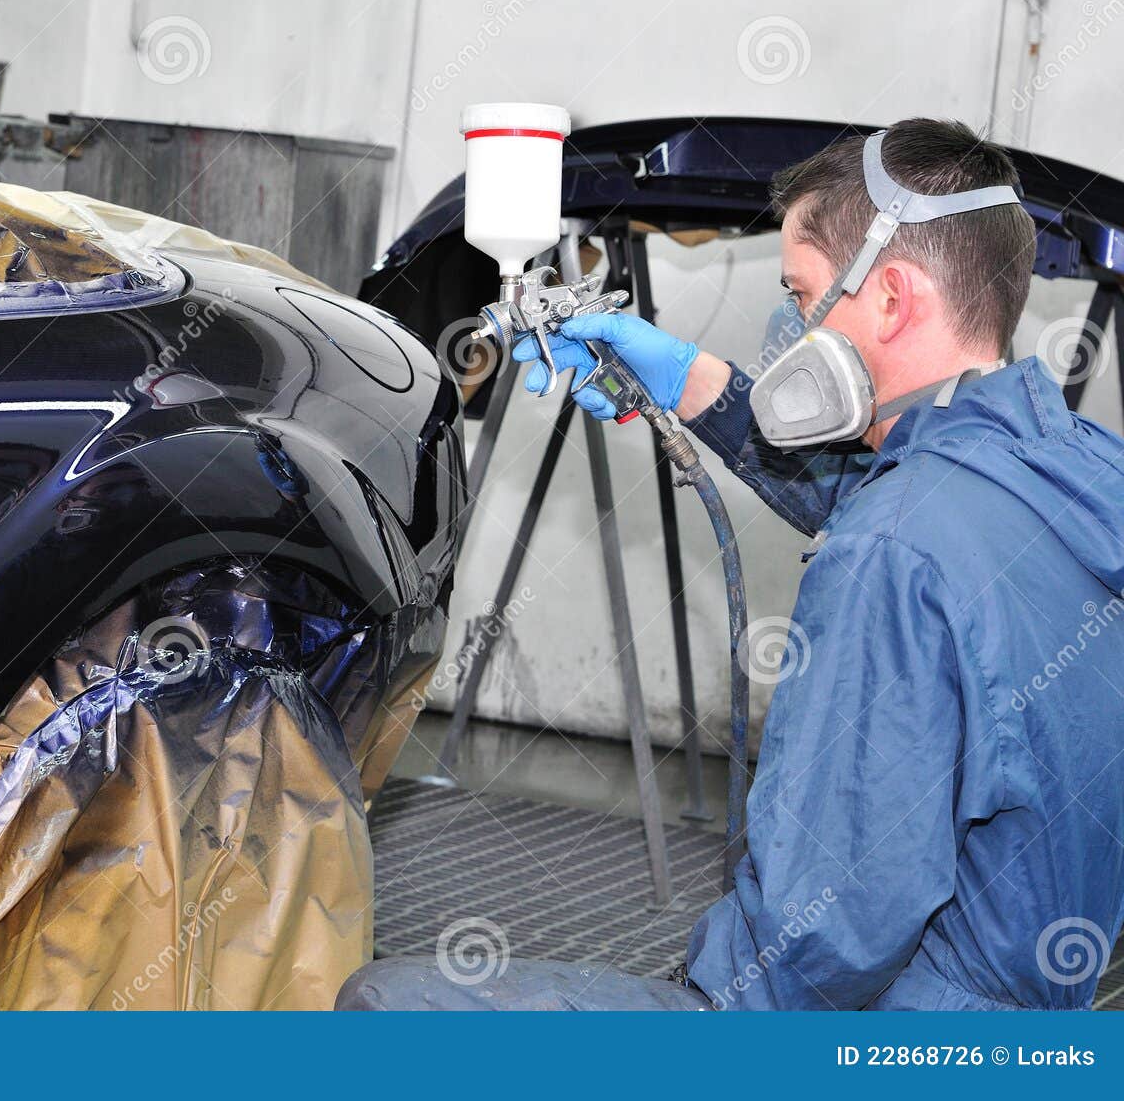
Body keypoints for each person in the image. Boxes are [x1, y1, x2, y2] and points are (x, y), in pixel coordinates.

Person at [338, 118, 1124, 1011]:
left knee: (386, 1005)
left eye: (800, 291)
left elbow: (828, 937)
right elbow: (894, 500)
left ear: (894, 300)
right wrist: (680, 376)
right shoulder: (1070, 477)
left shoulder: (892, 550)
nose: (788, 326)